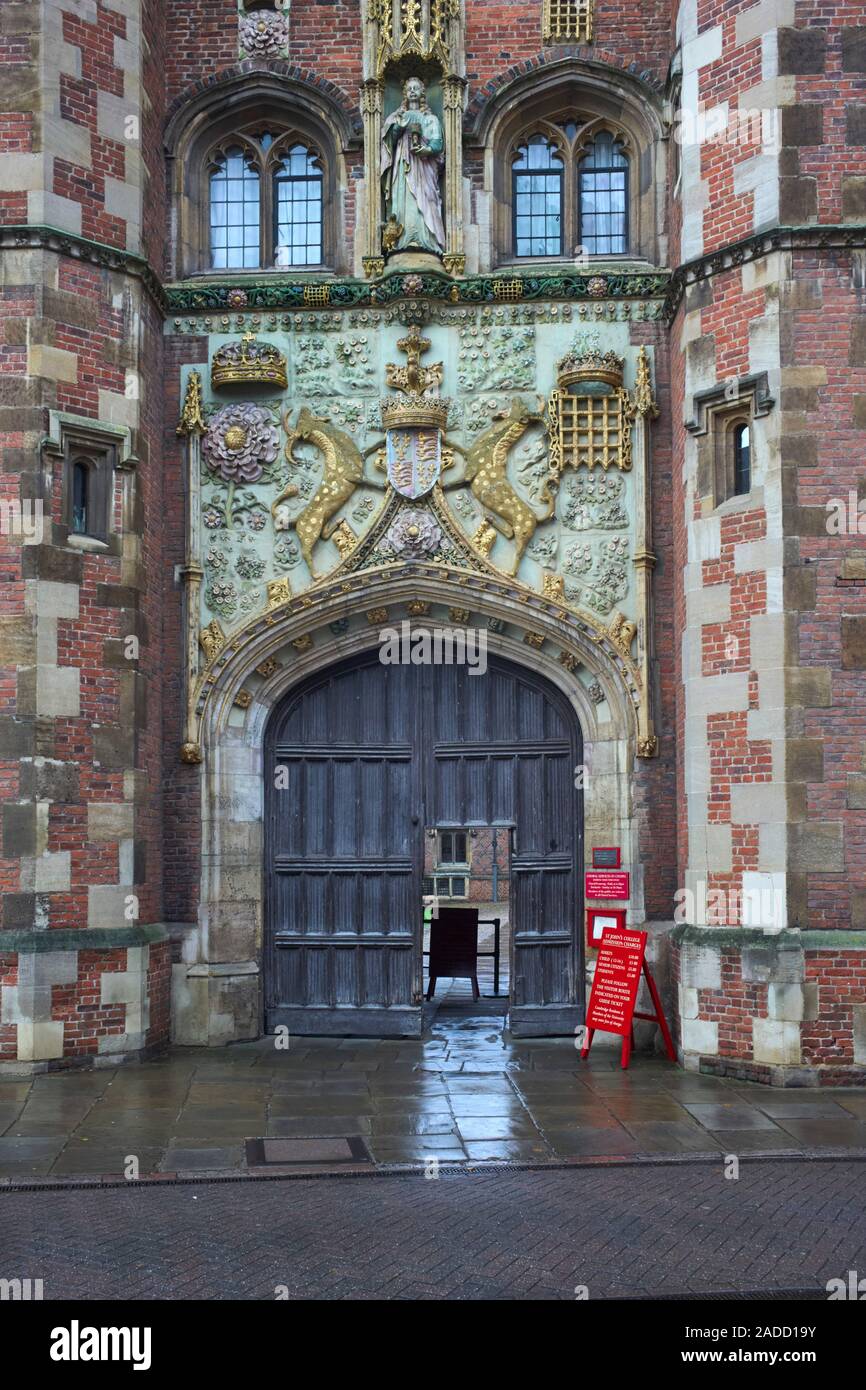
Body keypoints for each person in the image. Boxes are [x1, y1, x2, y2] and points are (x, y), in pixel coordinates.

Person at [380, 76, 445, 255]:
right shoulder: (397, 117)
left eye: (416, 88)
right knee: (403, 197)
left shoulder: (430, 119)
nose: (413, 91)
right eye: (409, 89)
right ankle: (403, 240)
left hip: (424, 166)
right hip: (403, 163)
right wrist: (399, 126)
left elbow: (437, 144)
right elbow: (388, 142)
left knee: (427, 197)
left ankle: (428, 240)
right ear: (405, 94)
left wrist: (425, 150)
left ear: (423, 92)